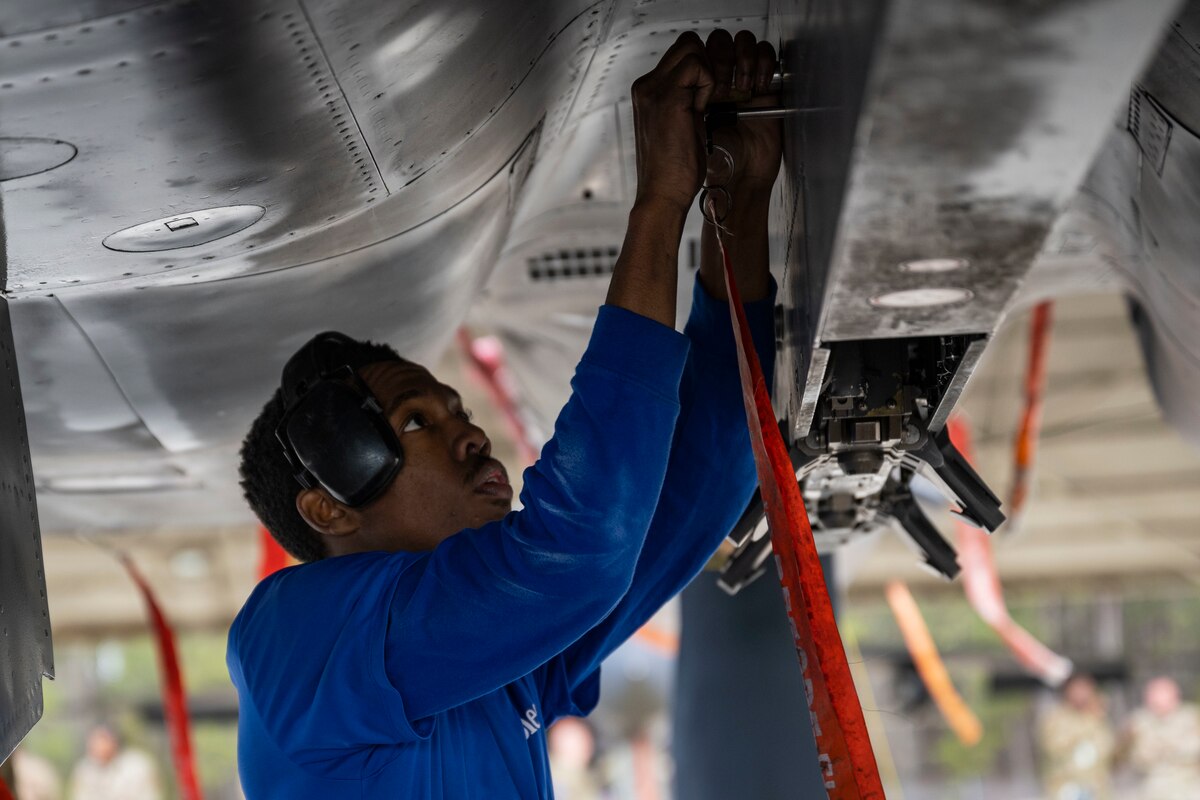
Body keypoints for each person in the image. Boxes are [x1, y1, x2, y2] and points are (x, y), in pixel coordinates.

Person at [228, 28, 782, 799]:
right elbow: (580, 548)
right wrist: (660, 197)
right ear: (329, 504)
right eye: (416, 422)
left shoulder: (489, 654)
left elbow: (704, 473)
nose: (470, 433)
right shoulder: (298, 643)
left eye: (451, 410)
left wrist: (737, 199)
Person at [1038, 672, 1116, 800]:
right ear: (1067, 691)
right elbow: (1053, 747)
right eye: (1077, 689)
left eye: (1086, 689)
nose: (1082, 694)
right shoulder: (1056, 717)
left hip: (1097, 788)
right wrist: (1089, 722)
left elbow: (1108, 751)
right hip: (1065, 787)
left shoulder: (1099, 717)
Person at [1126, 676, 1200, 799]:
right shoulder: (1139, 722)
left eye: (1163, 694)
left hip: (1188, 784)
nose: (1157, 700)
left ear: (1175, 697)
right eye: (1153, 695)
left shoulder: (1192, 717)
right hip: (1151, 785)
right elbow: (1131, 757)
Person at [67, 725, 159, 800]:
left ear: (114, 742)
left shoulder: (137, 765)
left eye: (102, 741)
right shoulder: (85, 769)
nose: (96, 746)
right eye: (93, 743)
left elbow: (149, 795)